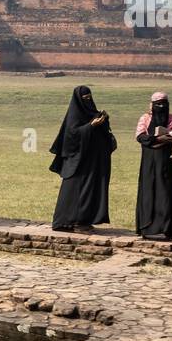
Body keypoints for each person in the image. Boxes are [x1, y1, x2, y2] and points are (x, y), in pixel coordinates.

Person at [49, 85, 115, 231]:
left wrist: (104, 121)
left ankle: (84, 220)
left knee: (90, 190)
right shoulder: (74, 115)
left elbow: (104, 135)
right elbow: (72, 136)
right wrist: (91, 126)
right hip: (77, 162)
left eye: (90, 98)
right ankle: (66, 221)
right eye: (85, 99)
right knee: (72, 191)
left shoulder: (93, 113)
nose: (88, 101)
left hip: (92, 161)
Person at [134, 91, 172, 239]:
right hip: (149, 164)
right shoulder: (145, 118)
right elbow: (140, 136)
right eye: (158, 104)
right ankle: (146, 228)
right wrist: (158, 140)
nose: (161, 107)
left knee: (167, 194)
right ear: (152, 105)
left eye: (164, 104)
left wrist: (167, 138)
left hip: (168, 163)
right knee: (148, 192)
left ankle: (168, 229)